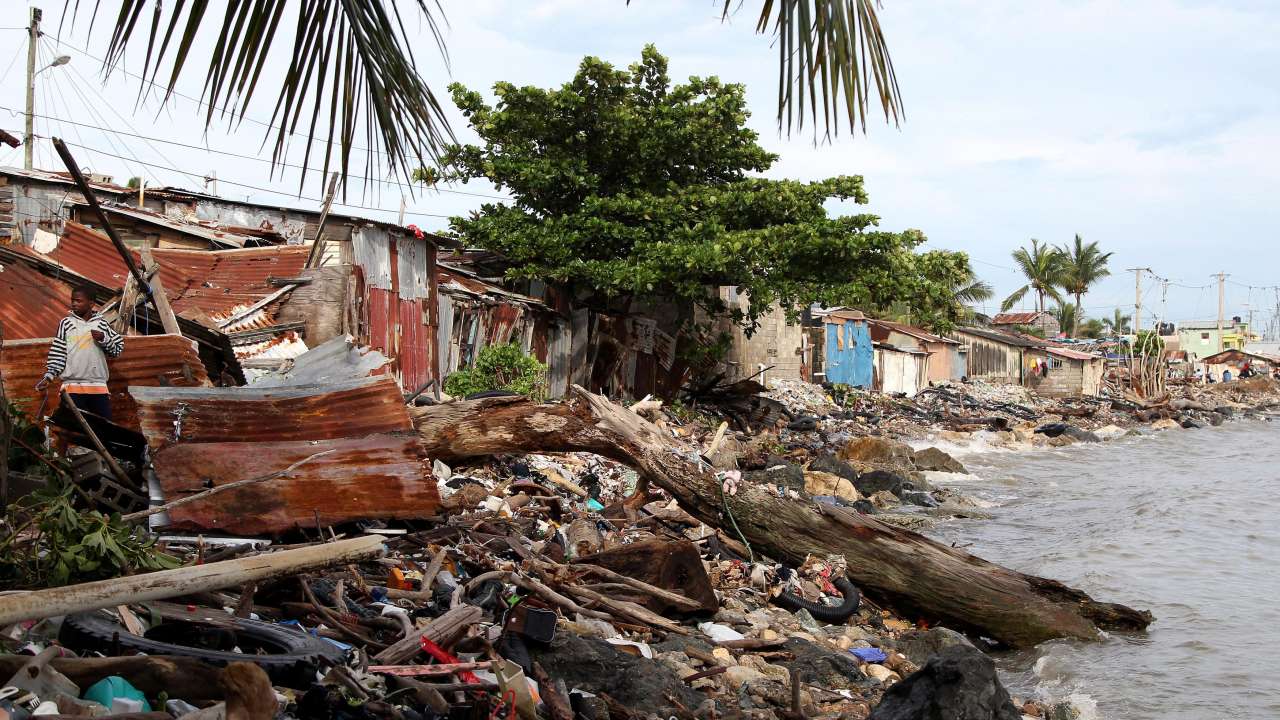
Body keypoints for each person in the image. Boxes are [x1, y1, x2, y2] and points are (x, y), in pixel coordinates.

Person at [35, 286, 125, 420]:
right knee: (73, 428)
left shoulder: (101, 324)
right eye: (72, 300)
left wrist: (103, 339)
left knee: (103, 427)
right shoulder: (66, 324)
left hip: (97, 387)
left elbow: (117, 349)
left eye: (78, 301)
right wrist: (48, 377)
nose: (74, 304)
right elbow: (59, 353)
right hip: (72, 387)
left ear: (91, 304)